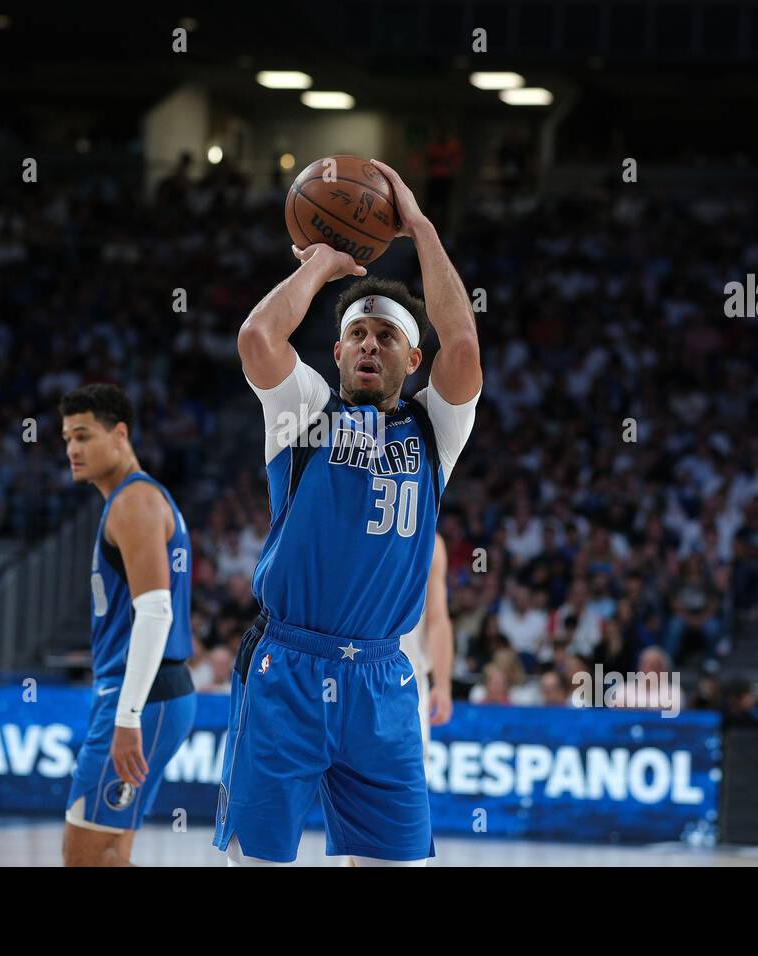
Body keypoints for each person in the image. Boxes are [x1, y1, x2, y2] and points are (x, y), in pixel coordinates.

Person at [214, 158, 481, 866]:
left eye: (386, 336)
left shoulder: (434, 431)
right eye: (357, 334)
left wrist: (419, 224)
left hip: (385, 681)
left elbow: (465, 345)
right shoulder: (303, 411)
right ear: (335, 353)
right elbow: (256, 341)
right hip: (287, 669)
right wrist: (323, 265)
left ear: (412, 359)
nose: (369, 343)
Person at [60, 383, 197, 867]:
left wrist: (127, 717)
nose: (73, 449)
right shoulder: (135, 499)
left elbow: (156, 612)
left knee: (85, 856)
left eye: (83, 435)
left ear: (120, 434)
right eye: (67, 440)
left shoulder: (133, 501)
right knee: (110, 852)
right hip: (153, 694)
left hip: (144, 696)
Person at [399, 532, 456, 763]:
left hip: (410, 677)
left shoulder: (431, 542)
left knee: (410, 774)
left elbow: (438, 619)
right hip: (354, 667)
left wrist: (442, 684)